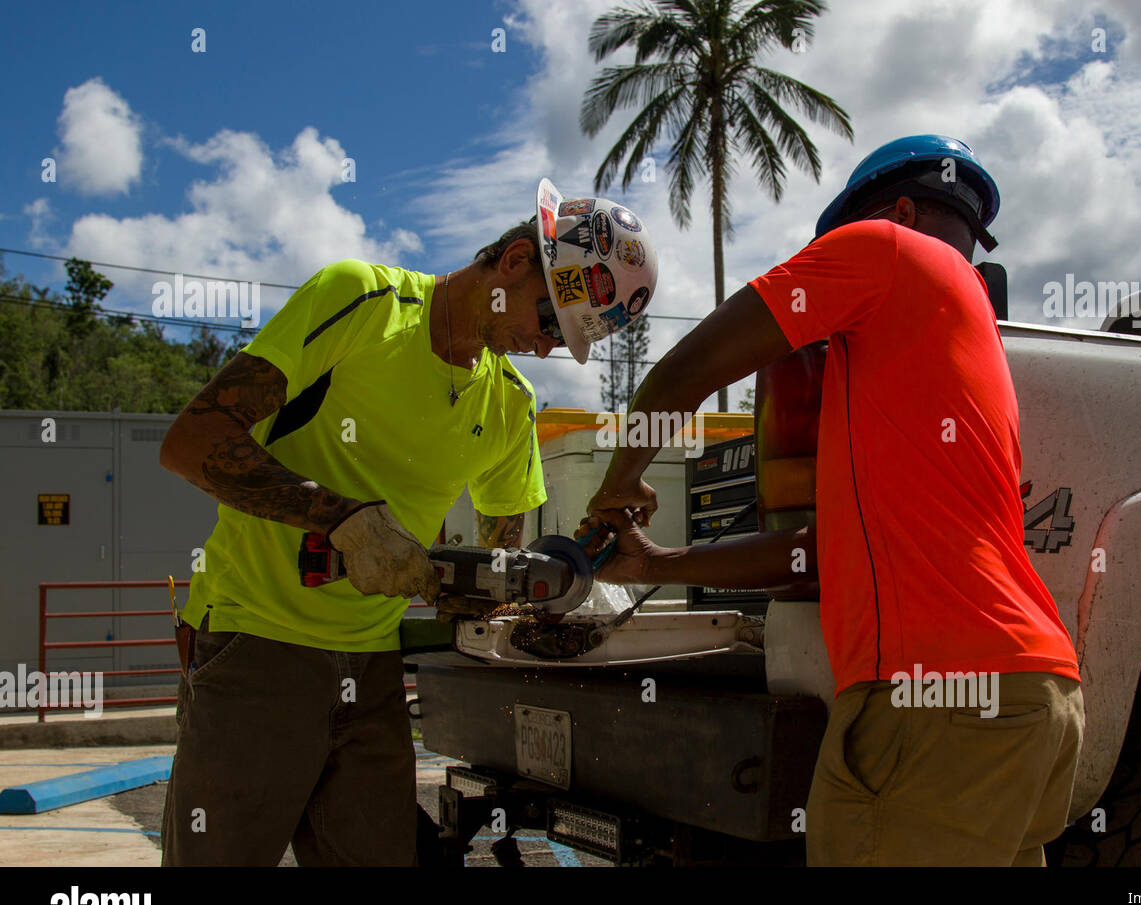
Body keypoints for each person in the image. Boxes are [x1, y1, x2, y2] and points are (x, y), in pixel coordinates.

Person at [580, 135, 1084, 866]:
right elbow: (816, 553)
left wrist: (619, 482)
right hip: (1033, 696)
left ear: (899, 211)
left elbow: (687, 367)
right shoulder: (953, 343)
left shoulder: (882, 249)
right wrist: (655, 563)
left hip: (937, 706)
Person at [158, 178, 657, 865]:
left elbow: (500, 556)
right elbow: (190, 442)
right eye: (548, 322)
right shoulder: (362, 302)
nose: (544, 348)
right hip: (255, 645)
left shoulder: (509, 403)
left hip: (372, 673)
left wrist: (556, 559)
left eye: (562, 340)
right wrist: (340, 518)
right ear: (514, 261)